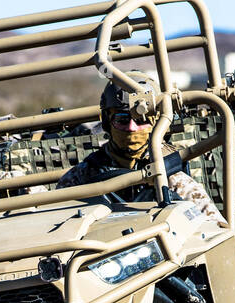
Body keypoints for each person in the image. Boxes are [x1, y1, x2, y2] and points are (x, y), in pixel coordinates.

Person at [56, 71, 224, 224]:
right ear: (107, 122)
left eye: (142, 120)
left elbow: (214, 228)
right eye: (122, 120)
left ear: (156, 123)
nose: (131, 128)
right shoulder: (81, 176)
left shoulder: (173, 178)